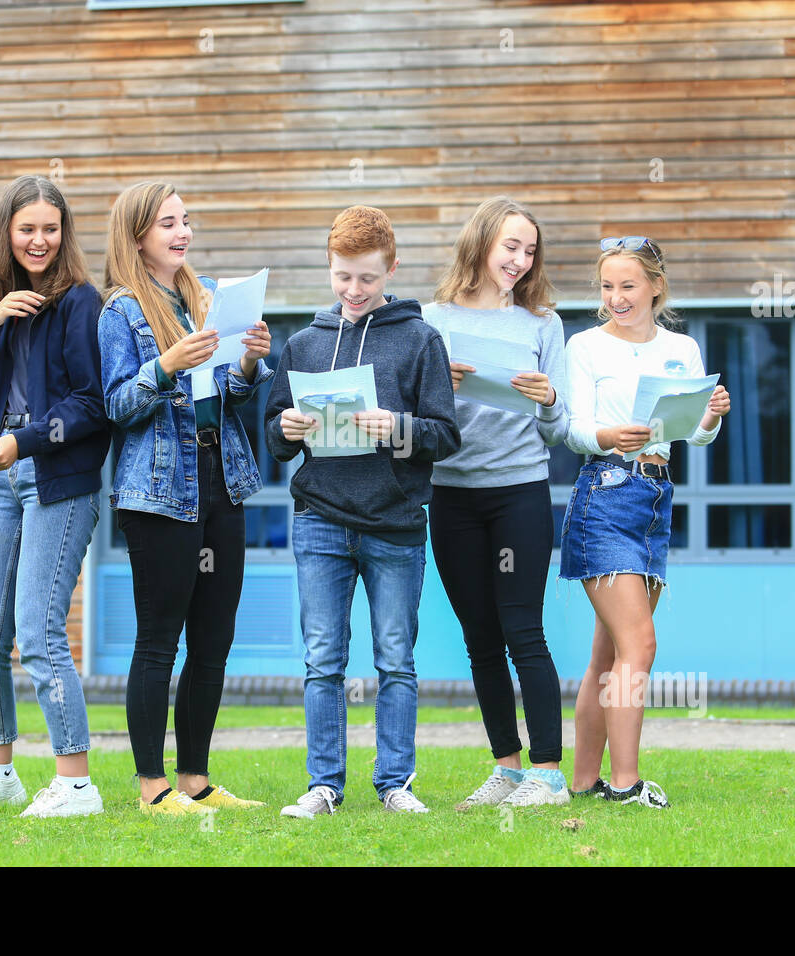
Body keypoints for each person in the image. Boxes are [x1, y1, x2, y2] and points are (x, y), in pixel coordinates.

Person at [265, 205, 460, 819]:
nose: (354, 291)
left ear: (392, 269)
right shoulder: (303, 343)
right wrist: (288, 427)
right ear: (330, 267)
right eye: (344, 276)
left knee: (395, 659)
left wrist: (397, 427)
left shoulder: (421, 338)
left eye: (368, 279)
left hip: (396, 524)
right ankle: (324, 785)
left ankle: (395, 783)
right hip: (319, 520)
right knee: (322, 658)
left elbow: (446, 436)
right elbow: (273, 440)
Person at [97, 182, 273, 816]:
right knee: (158, 641)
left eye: (186, 220)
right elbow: (115, 405)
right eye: (167, 222)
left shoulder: (203, 299)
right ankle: (151, 790)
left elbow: (234, 392)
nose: (182, 232)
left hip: (220, 480)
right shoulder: (120, 312)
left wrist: (252, 363)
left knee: (214, 638)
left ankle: (195, 779)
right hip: (160, 491)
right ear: (138, 233)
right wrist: (165, 364)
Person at [0, 175, 109, 817]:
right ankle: (1, 774)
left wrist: (26, 441)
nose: (39, 240)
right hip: (2, 486)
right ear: (7, 235)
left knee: (41, 633)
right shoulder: (6, 305)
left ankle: (76, 784)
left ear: (64, 233)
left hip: (59, 485)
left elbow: (93, 404)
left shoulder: (80, 303)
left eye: (50, 228)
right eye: (27, 229)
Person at [562, 236, 730, 809]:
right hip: (605, 494)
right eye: (607, 287)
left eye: (628, 286)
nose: (616, 298)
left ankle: (583, 783)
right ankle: (626, 786)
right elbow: (571, 429)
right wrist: (611, 436)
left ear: (656, 287)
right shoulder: (583, 346)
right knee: (641, 643)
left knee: (607, 656)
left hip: (656, 497)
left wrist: (709, 417)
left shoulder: (682, 348)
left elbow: (694, 435)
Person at [421, 197, 571, 809]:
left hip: (518, 494)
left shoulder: (544, 326)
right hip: (452, 497)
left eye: (529, 250)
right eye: (511, 246)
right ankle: (507, 770)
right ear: (481, 242)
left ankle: (549, 775)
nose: (520, 259)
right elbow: (414, 419)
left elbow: (559, 430)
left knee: (522, 630)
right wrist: (437, 386)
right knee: (479, 637)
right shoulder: (432, 319)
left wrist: (549, 397)